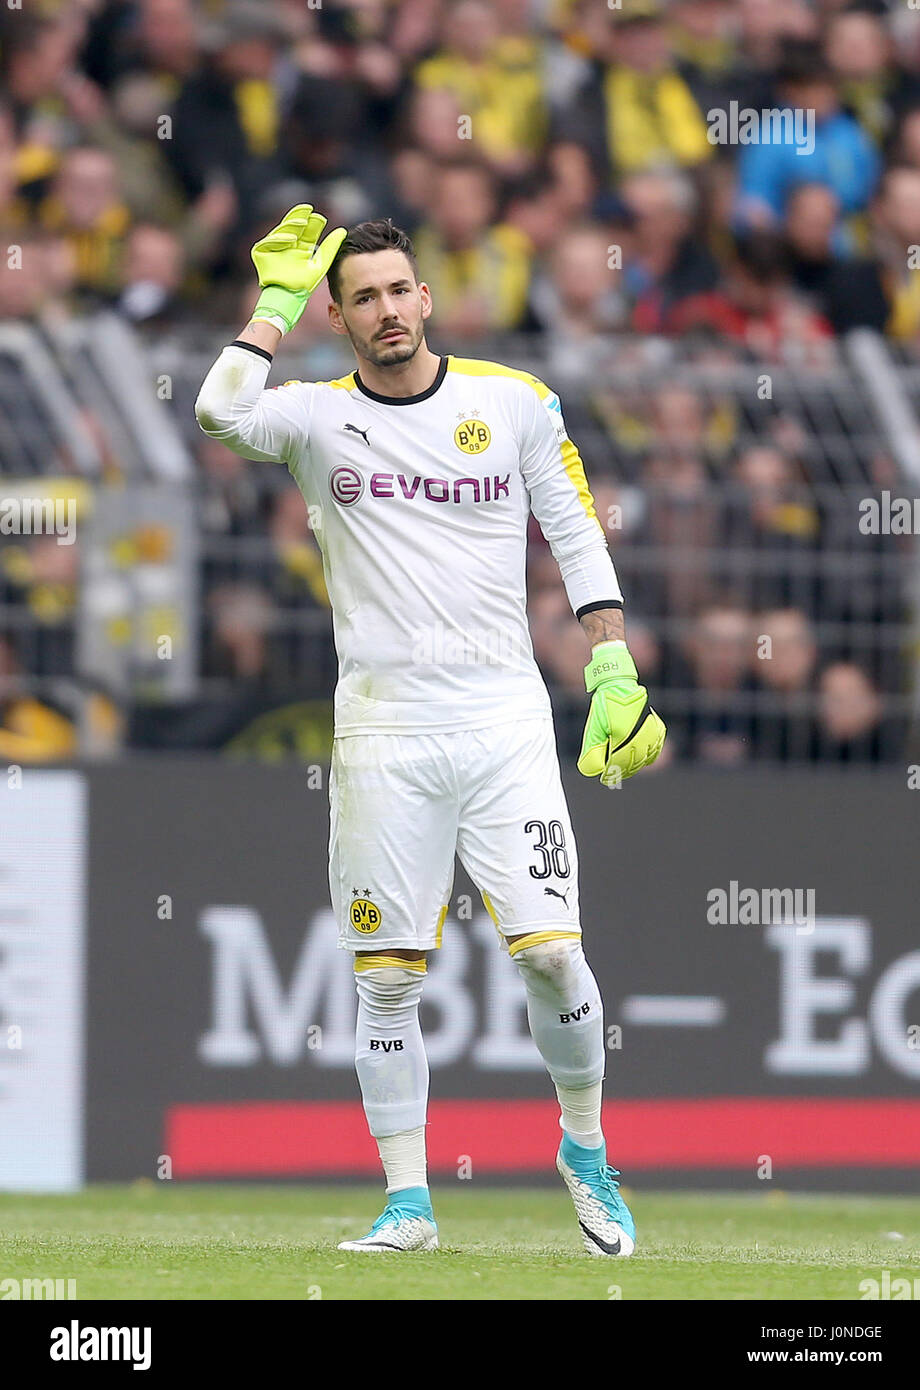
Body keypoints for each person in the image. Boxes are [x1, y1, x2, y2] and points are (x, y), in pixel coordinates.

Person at [194, 204, 666, 1257]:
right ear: (340, 314)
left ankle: (583, 1147)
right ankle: (408, 1200)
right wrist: (270, 306)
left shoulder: (512, 403)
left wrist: (608, 657)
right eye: (360, 296)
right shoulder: (314, 416)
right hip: (381, 735)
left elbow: (573, 524)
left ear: (427, 295)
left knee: (550, 958)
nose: (386, 309)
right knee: (386, 978)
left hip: (502, 724)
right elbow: (219, 411)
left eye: (399, 288)